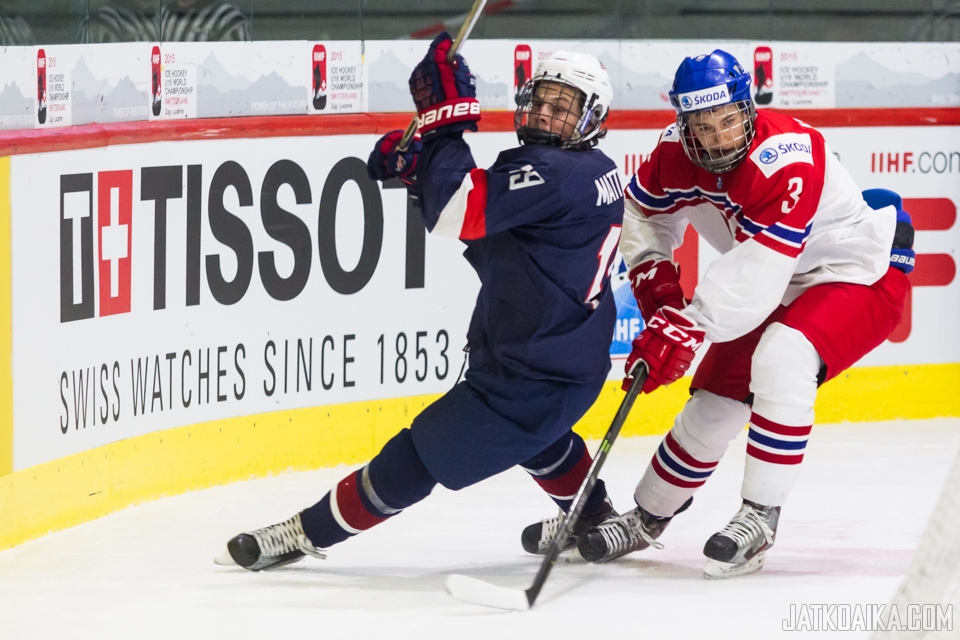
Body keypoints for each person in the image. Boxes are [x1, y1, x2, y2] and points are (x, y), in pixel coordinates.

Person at [222, 33, 627, 571]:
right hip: (551, 358)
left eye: (563, 108)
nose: (548, 115)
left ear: (591, 118)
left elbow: (461, 214)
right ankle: (594, 518)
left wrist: (445, 124)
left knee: (417, 455)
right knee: (536, 439)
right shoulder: (580, 169)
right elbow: (496, 231)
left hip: (537, 369)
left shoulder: (558, 172)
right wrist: (422, 175)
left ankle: (303, 533)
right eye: (544, 101)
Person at [575, 49, 914, 579]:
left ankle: (760, 515)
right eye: (702, 125)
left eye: (728, 120)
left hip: (858, 274)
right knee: (713, 403)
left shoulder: (786, 156)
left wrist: (684, 326)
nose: (717, 137)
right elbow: (640, 216)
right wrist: (661, 297)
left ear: (747, 110)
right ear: (682, 123)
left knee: (783, 358)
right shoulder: (671, 156)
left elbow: (757, 276)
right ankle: (647, 517)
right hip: (776, 281)